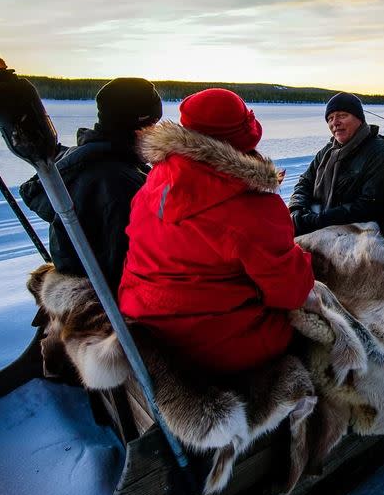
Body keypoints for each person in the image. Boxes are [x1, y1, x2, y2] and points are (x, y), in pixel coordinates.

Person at [118, 88, 315, 374]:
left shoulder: (155, 181)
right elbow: (292, 291)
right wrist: (301, 259)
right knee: (311, 331)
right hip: (215, 345)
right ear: (245, 138)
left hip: (144, 325)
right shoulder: (252, 207)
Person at [20, 77, 162, 292]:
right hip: (111, 299)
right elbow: (127, 264)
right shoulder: (117, 180)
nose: (156, 132)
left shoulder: (81, 159)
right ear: (139, 125)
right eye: (153, 124)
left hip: (80, 287)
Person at [289, 92, 384, 235]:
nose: (335, 123)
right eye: (330, 118)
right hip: (323, 226)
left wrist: (318, 220)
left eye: (342, 116)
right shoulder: (327, 152)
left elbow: (369, 205)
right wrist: (297, 208)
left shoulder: (381, 152)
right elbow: (305, 182)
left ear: (359, 118)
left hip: (366, 233)